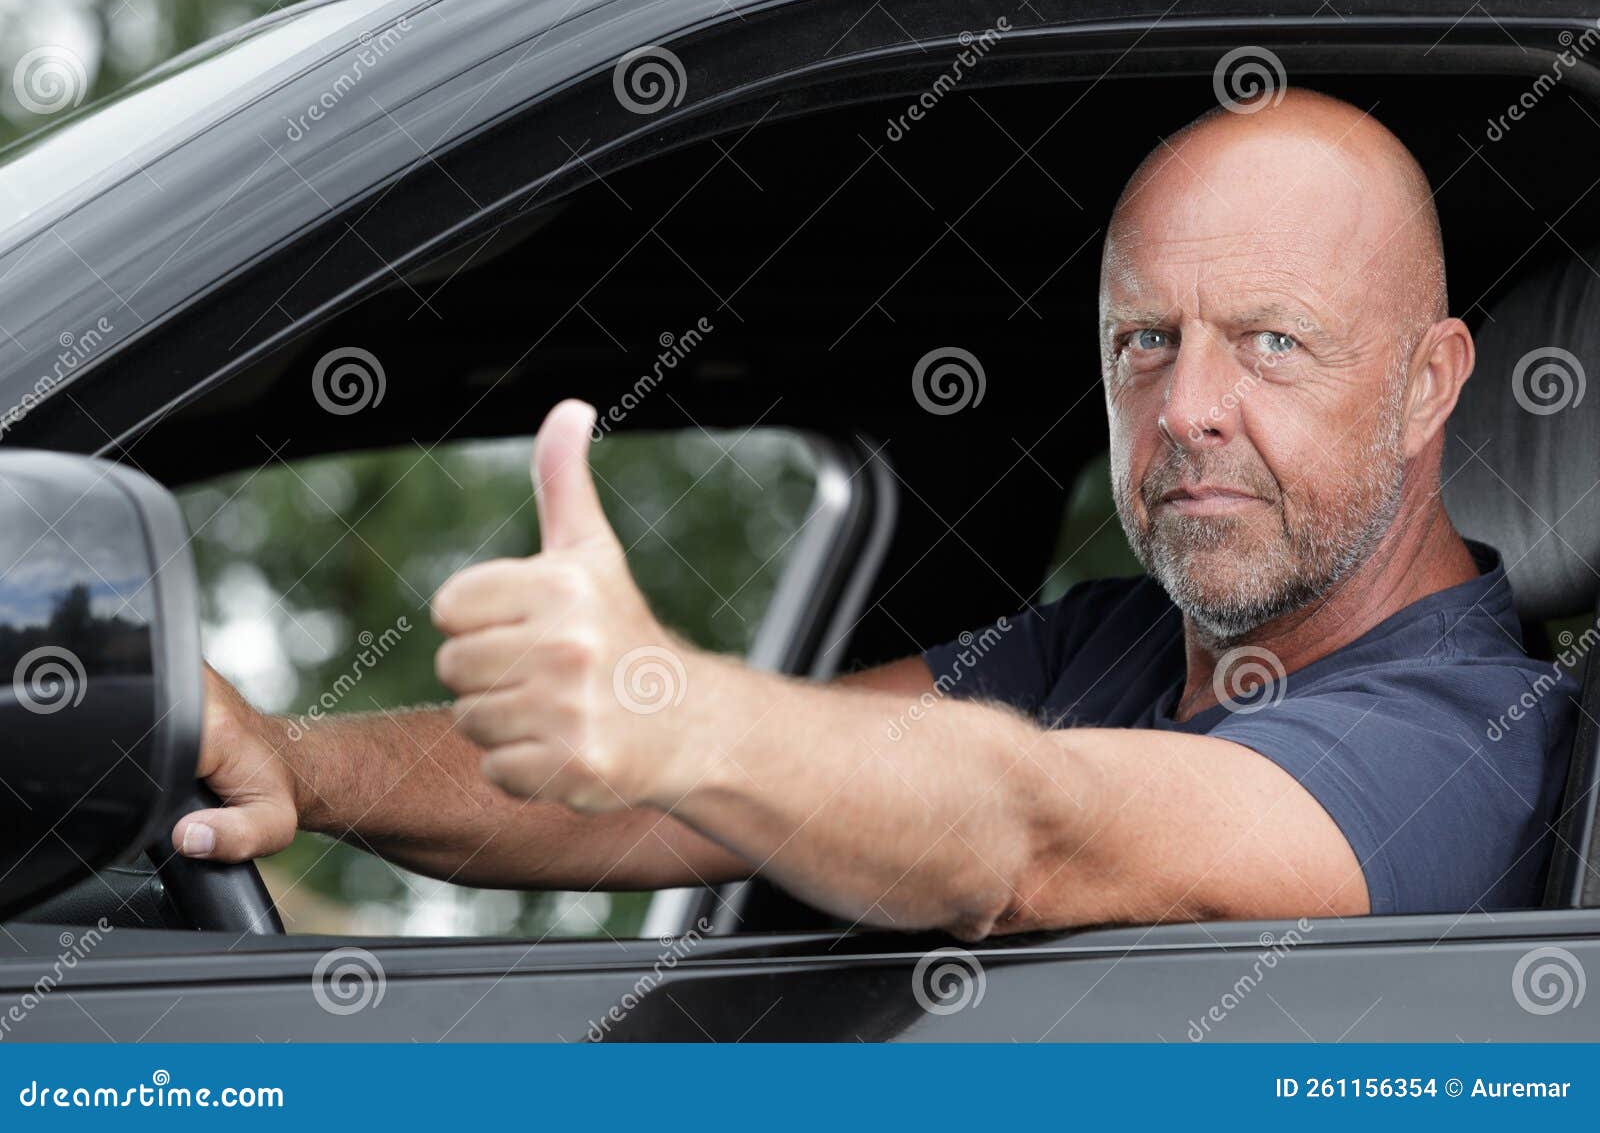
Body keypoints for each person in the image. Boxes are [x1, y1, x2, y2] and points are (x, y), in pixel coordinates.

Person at [172, 88, 1576, 939]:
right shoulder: (1118, 647)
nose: (1188, 406)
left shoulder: (1462, 743)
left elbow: (1030, 832)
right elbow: (678, 805)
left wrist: (684, 720)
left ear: (1423, 387)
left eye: (1273, 342)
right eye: (1145, 341)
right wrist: (296, 763)